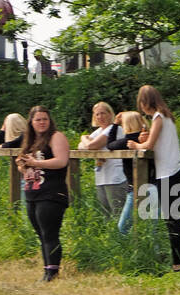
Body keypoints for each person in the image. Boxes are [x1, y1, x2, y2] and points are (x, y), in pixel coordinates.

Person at [126, 84, 180, 271]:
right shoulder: (166, 117)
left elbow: (150, 145)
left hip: (168, 173)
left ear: (145, 102)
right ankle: (178, 262)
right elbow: (155, 142)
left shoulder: (159, 117)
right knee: (172, 219)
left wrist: (135, 145)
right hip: (173, 170)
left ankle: (178, 264)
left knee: (172, 220)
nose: (141, 107)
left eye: (141, 103)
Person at [17, 106, 70, 282]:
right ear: (31, 123)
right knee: (41, 234)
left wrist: (36, 163)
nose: (41, 122)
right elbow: (27, 168)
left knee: (50, 233)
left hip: (52, 193)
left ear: (50, 121)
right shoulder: (30, 141)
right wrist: (23, 165)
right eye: (38, 119)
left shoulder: (56, 137)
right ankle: (47, 270)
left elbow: (61, 161)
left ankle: (52, 273)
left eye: (45, 119)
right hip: (33, 193)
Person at [79, 102, 129, 220]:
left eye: (103, 113)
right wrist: (84, 140)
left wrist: (84, 138)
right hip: (101, 178)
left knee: (118, 214)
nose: (100, 117)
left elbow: (92, 145)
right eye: (97, 114)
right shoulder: (99, 131)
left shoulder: (114, 129)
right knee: (106, 215)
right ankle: (112, 238)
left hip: (115, 177)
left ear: (110, 114)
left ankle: (124, 238)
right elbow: (81, 146)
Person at [115, 111, 149, 236]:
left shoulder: (128, 141)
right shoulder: (147, 138)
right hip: (153, 188)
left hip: (135, 189)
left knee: (122, 228)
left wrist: (114, 124)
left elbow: (110, 145)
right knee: (150, 228)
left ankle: (129, 252)